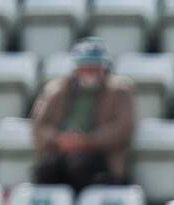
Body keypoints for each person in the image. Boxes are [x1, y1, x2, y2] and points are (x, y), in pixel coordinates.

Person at [30, 37, 135, 192]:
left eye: (94, 68)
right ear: (77, 68)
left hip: (100, 153)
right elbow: (39, 124)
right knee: (45, 168)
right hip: (60, 150)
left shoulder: (119, 91)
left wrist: (88, 141)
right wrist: (59, 139)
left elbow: (123, 127)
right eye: (86, 67)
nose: (90, 73)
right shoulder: (56, 90)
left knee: (79, 166)